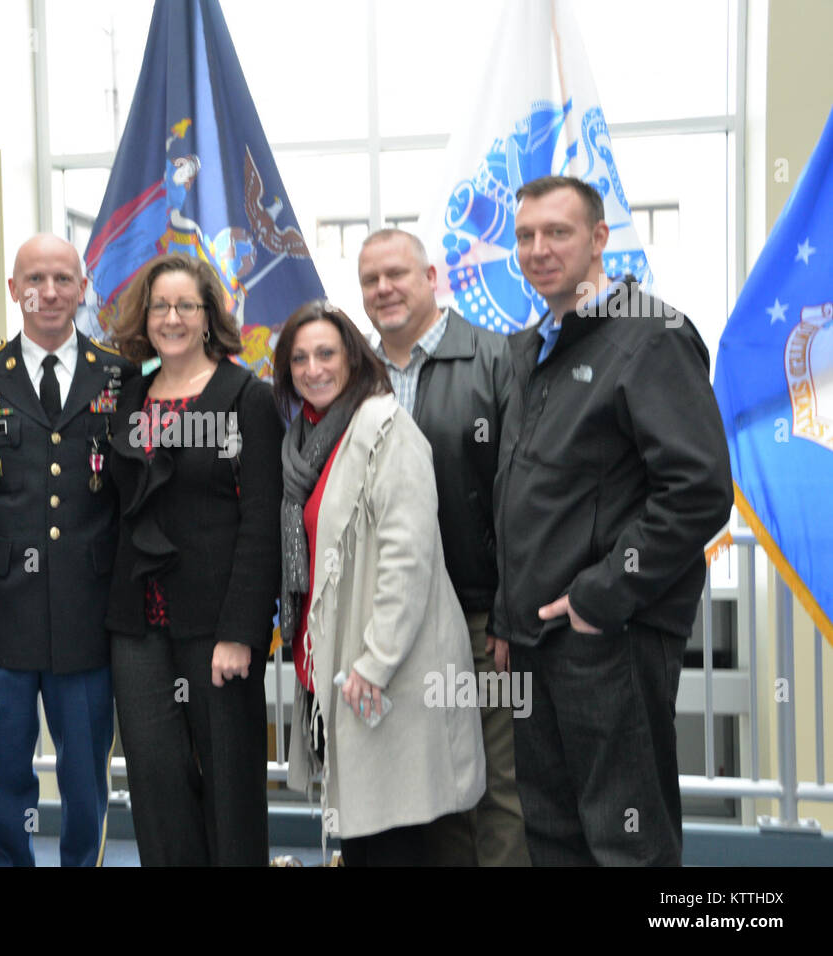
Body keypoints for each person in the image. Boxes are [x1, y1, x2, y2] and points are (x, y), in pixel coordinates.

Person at [492, 175, 733, 865]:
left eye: (558, 233)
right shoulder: (534, 348)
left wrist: (601, 597)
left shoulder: (650, 337)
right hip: (536, 640)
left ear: (599, 238)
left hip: (607, 639)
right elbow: (529, 496)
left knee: (626, 843)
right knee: (553, 837)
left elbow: (699, 490)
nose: (539, 249)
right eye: (526, 236)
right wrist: (511, 620)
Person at [276, 300, 485, 867]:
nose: (313, 368)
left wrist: (376, 661)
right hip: (330, 669)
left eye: (326, 354)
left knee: (393, 842)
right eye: (299, 358)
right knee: (363, 838)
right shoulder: (302, 443)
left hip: (383, 671)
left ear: (353, 358)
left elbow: (407, 556)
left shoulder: (385, 428)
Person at [0, 234, 134, 867]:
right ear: (13, 290)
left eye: (63, 278)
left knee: (86, 779)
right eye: (35, 279)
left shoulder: (122, 375)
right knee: (2, 775)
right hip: (0, 612)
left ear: (83, 288)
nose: (49, 292)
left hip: (87, 610)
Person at [357, 229, 529, 866]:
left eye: (397, 274)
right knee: (438, 786)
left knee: (499, 789)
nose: (384, 289)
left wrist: (510, 611)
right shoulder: (358, 376)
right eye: (371, 280)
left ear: (431, 276)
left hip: (483, 621)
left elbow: (522, 502)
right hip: (401, 625)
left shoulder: (497, 359)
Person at [104, 253, 282, 865]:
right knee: (156, 787)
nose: (172, 317)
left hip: (216, 630)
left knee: (230, 792)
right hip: (138, 629)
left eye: (186, 305)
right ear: (145, 316)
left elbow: (263, 522)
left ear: (208, 316)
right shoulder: (130, 395)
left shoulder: (246, 397)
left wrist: (241, 633)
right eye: (160, 306)